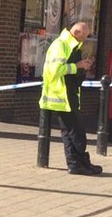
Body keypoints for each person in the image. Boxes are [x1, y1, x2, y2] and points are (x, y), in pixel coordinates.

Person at [40, 22, 102, 175]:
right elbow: (55, 71)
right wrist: (78, 66)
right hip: (62, 96)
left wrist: (82, 66)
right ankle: (80, 163)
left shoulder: (71, 45)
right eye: (85, 36)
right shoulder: (60, 45)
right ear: (77, 32)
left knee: (69, 132)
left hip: (68, 95)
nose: (85, 40)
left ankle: (76, 164)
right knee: (76, 132)